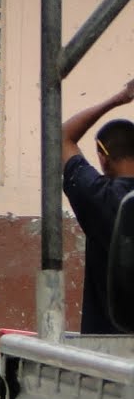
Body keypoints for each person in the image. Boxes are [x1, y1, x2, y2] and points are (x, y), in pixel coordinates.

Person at [62, 78, 134, 335]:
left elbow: (62, 136)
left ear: (103, 158)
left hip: (106, 346)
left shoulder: (98, 196)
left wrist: (119, 98)